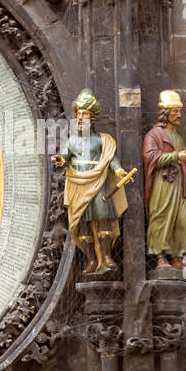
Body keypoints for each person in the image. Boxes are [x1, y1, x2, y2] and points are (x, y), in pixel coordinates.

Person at [55, 89, 129, 274]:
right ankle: (91, 260)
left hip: (98, 182)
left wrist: (118, 170)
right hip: (79, 184)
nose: (80, 118)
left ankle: (106, 256)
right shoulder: (72, 141)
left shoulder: (102, 140)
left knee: (103, 218)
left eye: (84, 114)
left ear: (92, 117)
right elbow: (64, 156)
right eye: (78, 115)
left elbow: (111, 158)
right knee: (82, 222)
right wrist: (60, 160)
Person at [143, 89, 186, 271]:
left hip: (179, 186)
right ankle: (160, 257)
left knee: (185, 221)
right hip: (163, 185)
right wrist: (176, 156)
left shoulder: (179, 138)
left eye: (179, 111)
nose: (178, 115)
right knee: (161, 218)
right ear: (165, 114)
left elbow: (185, 166)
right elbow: (151, 157)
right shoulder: (154, 135)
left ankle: (177, 257)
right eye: (175, 111)